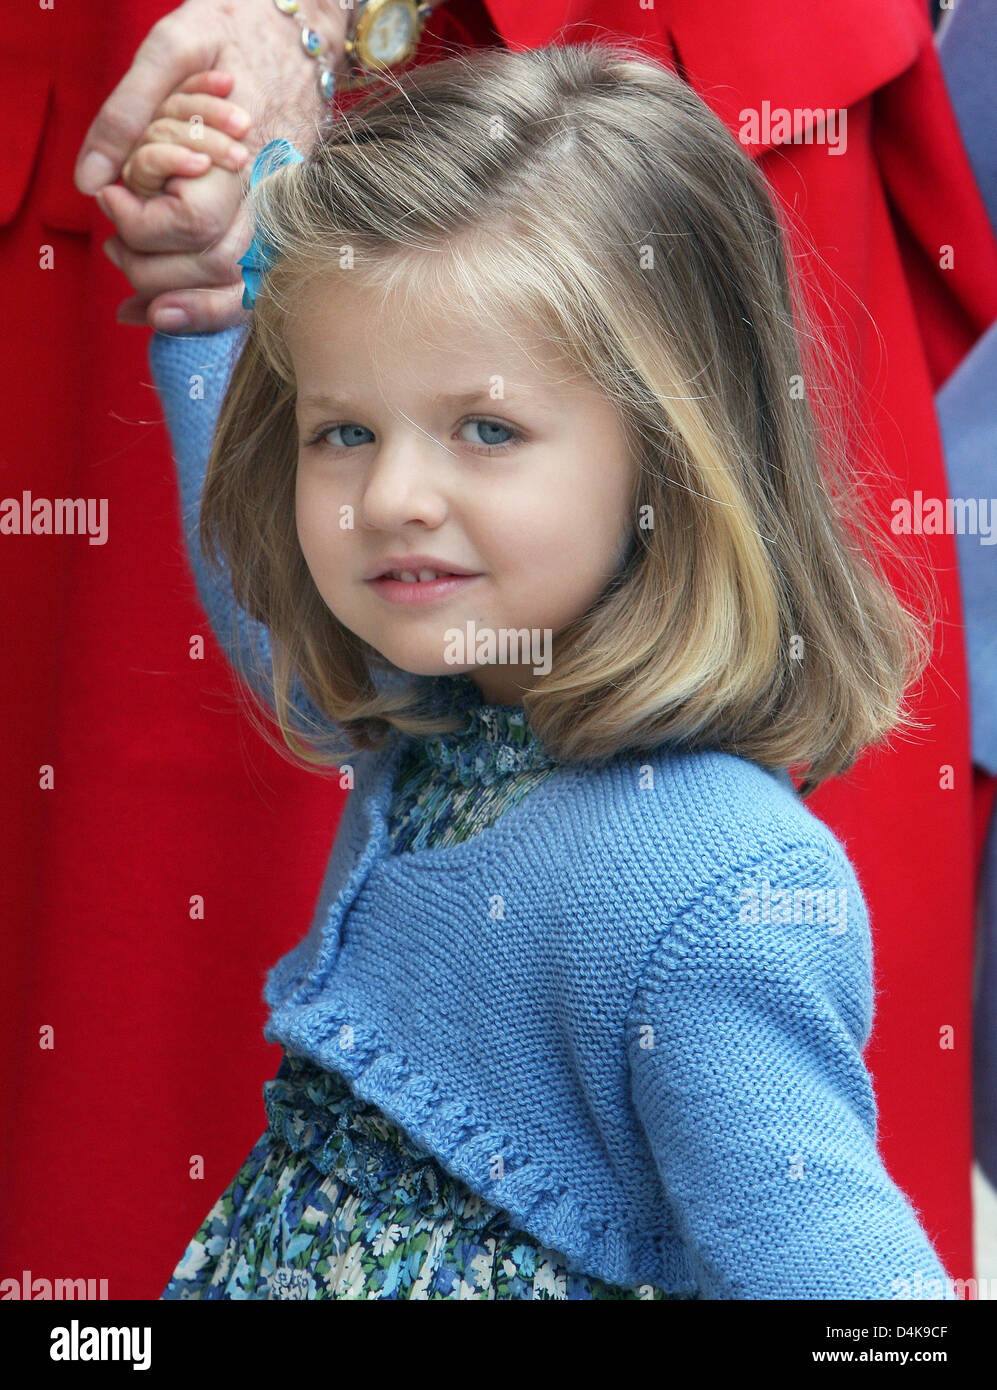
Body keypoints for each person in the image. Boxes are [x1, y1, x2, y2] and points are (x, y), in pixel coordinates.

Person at [106, 43, 955, 1299]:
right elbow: (273, 621)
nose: (391, 497)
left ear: (674, 450)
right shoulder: (450, 718)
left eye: (487, 430)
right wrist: (211, 317)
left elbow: (837, 1278)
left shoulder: (717, 883)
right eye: (343, 429)